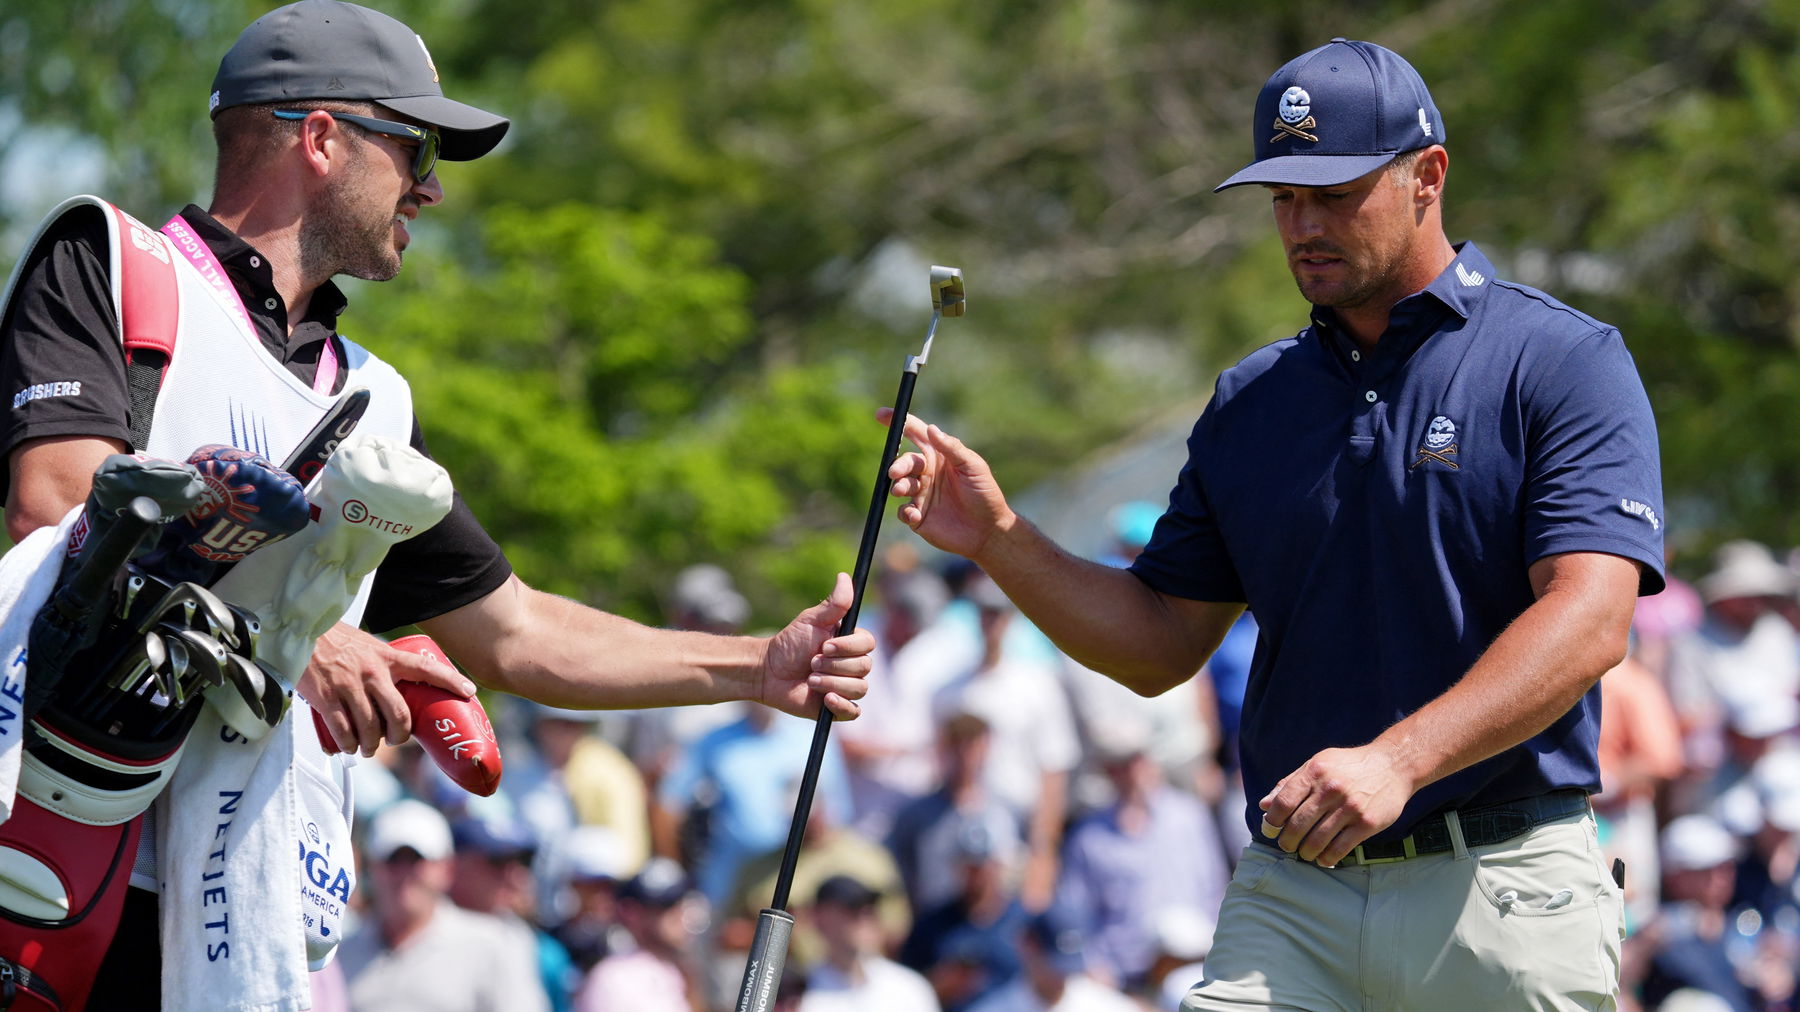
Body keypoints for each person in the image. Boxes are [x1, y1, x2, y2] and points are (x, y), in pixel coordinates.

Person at [0, 0, 872, 1005]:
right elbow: (59, 505)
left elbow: (519, 632)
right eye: (413, 148)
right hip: (47, 876)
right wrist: (301, 640)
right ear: (321, 138)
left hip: (228, 926)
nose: (432, 188)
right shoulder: (112, 264)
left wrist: (757, 666)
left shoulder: (373, 400)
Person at [882, 38, 1663, 1011]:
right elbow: (1159, 640)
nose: (1303, 224)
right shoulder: (1253, 402)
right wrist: (1001, 536)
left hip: (1502, 878)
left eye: (1334, 193)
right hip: (1295, 891)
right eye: (1284, 198)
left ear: (1429, 176)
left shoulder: (1561, 361)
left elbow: (1592, 619)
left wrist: (1399, 760)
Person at [336, 799, 550, 1012]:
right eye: (393, 860)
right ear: (371, 868)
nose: (404, 874)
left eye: (417, 860)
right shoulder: (339, 952)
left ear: (446, 869)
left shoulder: (492, 946)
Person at [572, 857, 704, 1012]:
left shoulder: (678, 972)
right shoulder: (615, 979)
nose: (680, 913)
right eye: (666, 905)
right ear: (632, 913)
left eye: (681, 900)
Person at [798, 874, 941, 1012]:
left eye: (871, 908)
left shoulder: (909, 987)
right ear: (820, 918)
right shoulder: (800, 997)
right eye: (853, 908)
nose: (866, 917)